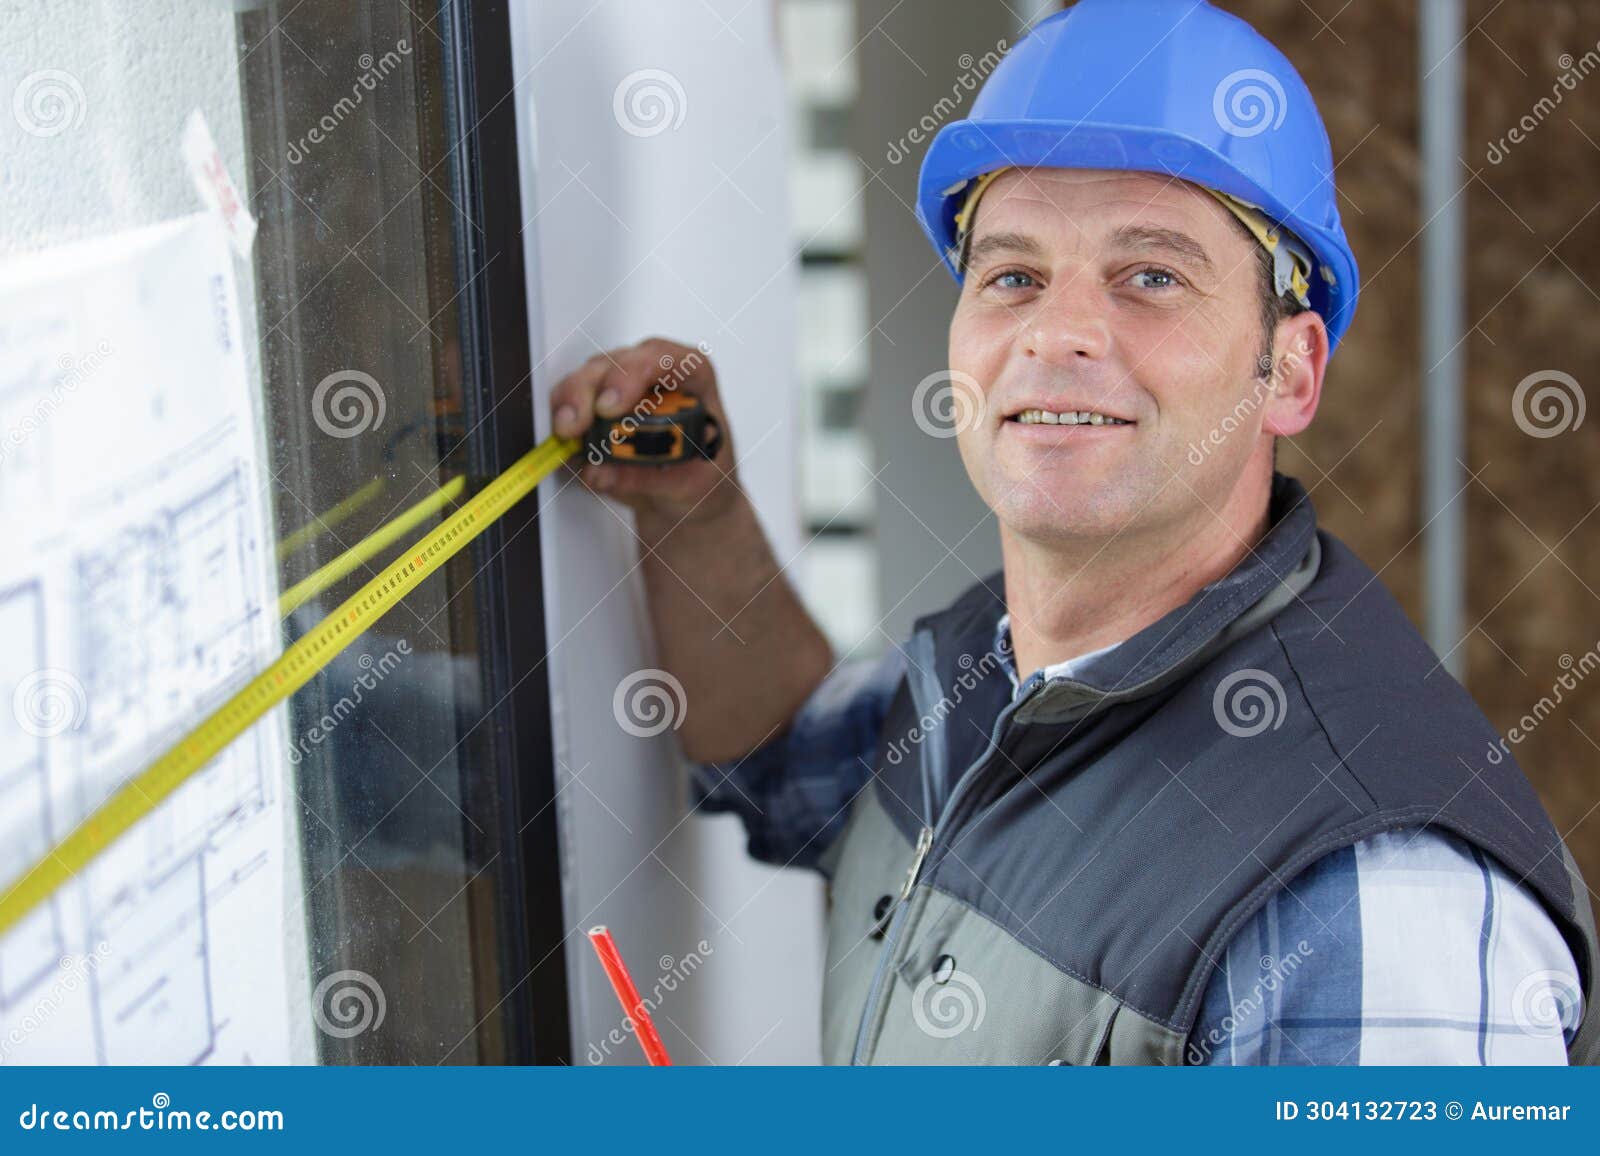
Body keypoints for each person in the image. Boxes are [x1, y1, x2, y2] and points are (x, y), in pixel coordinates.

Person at [549, 0, 1597, 1065]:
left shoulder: (1365, 893)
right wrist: (696, 506)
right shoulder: (982, 674)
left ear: (1288, 369)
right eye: (1013, 275)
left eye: (1151, 276)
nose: (1057, 331)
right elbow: (781, 757)